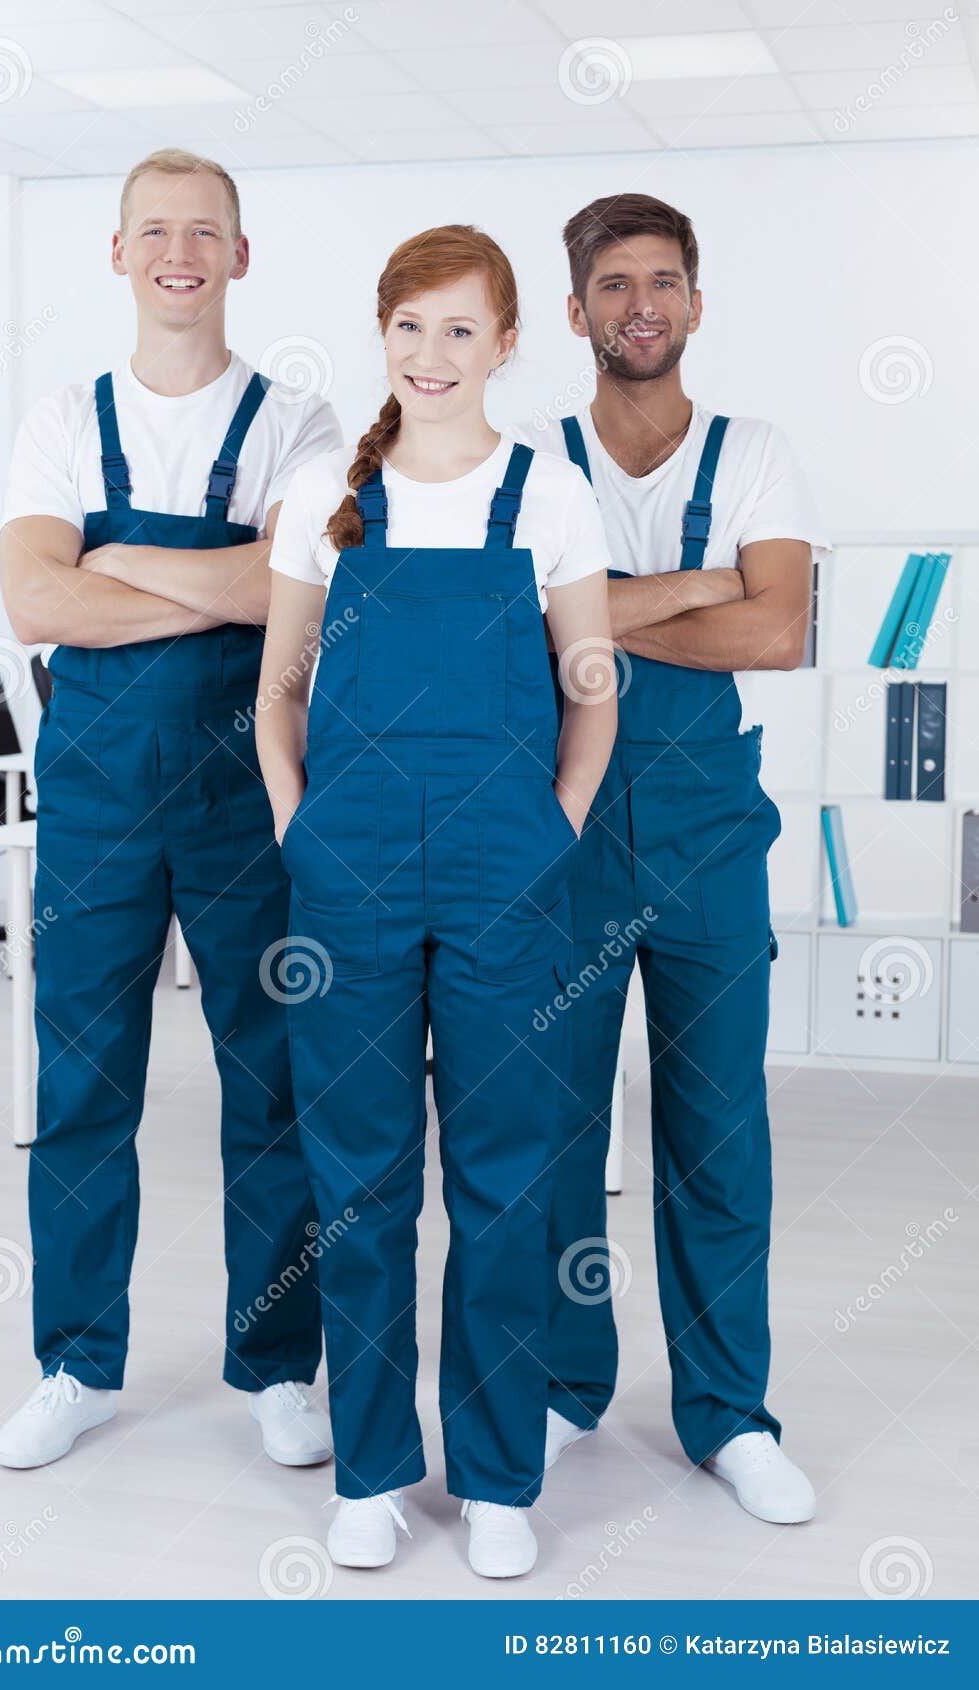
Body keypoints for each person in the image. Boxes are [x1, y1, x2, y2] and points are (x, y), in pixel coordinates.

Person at [258, 225, 616, 1577]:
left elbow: (593, 687)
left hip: (503, 871)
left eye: (461, 329)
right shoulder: (325, 494)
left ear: (507, 343)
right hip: (346, 868)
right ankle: (368, 1473)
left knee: (507, 1176)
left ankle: (500, 1478)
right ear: (383, 336)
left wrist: (552, 830)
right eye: (410, 326)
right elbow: (278, 689)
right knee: (357, 1179)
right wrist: (297, 825)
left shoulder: (549, 494)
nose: (432, 353)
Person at [0, 149, 337, 1472]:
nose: (178, 254)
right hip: (98, 792)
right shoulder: (60, 421)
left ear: (240, 256)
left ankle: (279, 1365)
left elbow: (296, 596)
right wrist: (224, 577)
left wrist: (122, 559)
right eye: (154, 231)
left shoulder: (298, 421)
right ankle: (77, 1362)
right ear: (118, 252)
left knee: (275, 1073)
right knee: (84, 1076)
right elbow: (38, 600)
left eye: (204, 232)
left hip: (252, 781)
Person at [528, 193, 828, 1524]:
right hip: (564, 832)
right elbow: (516, 632)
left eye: (662, 280)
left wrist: (593, 613)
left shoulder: (754, 454)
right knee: (552, 1131)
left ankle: (729, 1414)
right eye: (613, 283)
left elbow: (778, 635)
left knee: (717, 1135)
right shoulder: (534, 466)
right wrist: (704, 585)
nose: (639, 304)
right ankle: (560, 1384)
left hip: (708, 838)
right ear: (576, 310)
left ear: (695, 302)